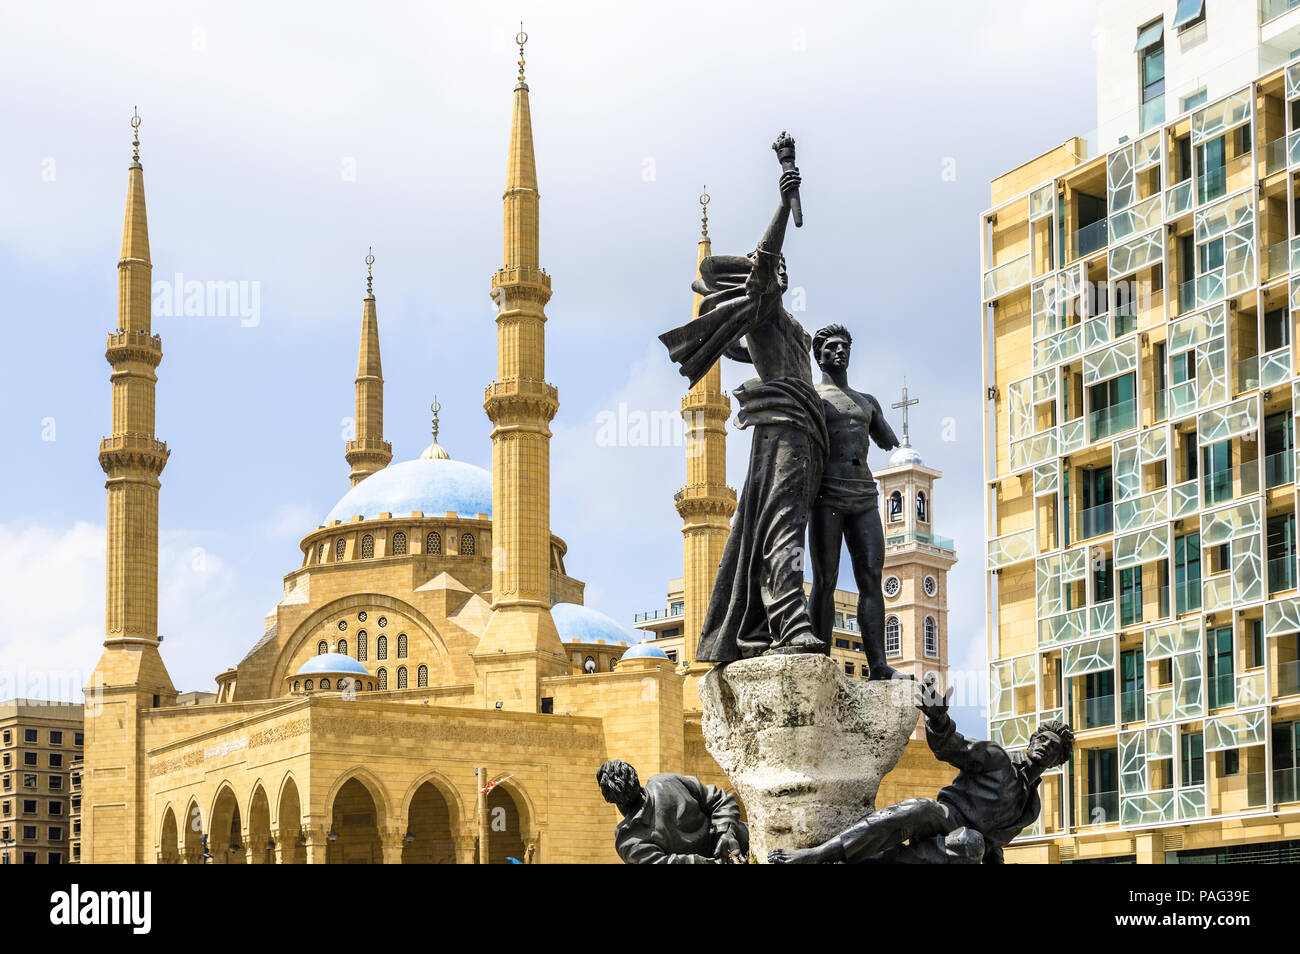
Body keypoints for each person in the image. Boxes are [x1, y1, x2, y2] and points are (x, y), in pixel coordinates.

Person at [659, 163, 828, 660]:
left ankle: (768, 624)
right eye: (769, 268)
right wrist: (782, 203)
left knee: (786, 522)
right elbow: (766, 259)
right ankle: (790, 623)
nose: (777, 270)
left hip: (805, 427)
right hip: (784, 427)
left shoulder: (786, 319)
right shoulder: (763, 309)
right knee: (780, 523)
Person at [768, 674, 1074, 864]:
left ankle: (878, 862)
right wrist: (938, 720)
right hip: (944, 816)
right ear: (1033, 740)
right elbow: (951, 747)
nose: (1046, 747)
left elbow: (993, 847)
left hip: (966, 841)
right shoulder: (997, 758)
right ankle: (819, 854)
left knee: (972, 843)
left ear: (1057, 762)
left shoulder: (1029, 807)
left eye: (1054, 748)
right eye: (1043, 739)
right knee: (920, 808)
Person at [807, 324, 902, 679]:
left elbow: (887, 440)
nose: (839, 352)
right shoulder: (813, 396)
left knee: (871, 578)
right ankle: (818, 654)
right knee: (825, 578)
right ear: (818, 355)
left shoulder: (866, 402)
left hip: (863, 496)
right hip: (826, 494)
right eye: (831, 347)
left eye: (844, 346)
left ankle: (878, 663)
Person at [597, 759, 748, 864]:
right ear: (635, 777)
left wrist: (724, 839)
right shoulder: (666, 781)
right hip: (744, 843)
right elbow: (721, 800)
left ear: (611, 800)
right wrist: (725, 834)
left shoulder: (628, 840)